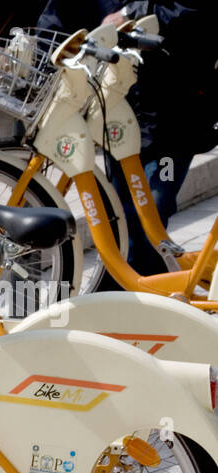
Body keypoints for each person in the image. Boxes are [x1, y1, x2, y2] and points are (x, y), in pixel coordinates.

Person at [37, 2, 218, 276]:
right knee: (120, 217)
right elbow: (59, 18)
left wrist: (133, 11)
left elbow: (189, 11)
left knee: (155, 208)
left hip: (178, 118)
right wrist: (42, 59)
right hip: (119, 109)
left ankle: (149, 295)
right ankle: (125, 295)